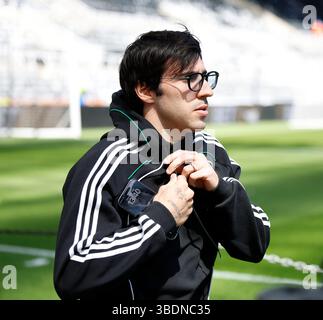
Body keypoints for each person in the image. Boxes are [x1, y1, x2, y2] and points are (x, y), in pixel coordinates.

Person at [54, 29, 270, 300]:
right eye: (190, 79)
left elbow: (255, 245)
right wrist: (162, 217)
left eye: (205, 78)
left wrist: (220, 190)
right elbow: (72, 271)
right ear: (146, 89)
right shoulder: (106, 162)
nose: (207, 91)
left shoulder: (210, 150)